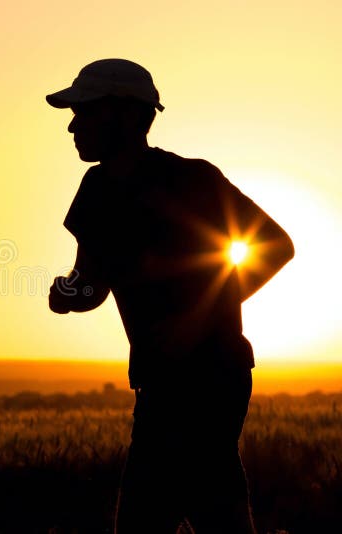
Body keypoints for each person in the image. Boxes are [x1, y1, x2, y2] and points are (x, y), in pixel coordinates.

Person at [45, 58, 294, 533]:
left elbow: (276, 246)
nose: (73, 125)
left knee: (157, 508)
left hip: (213, 375)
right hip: (159, 380)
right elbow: (91, 280)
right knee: (208, 507)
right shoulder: (94, 191)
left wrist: (195, 320)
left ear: (127, 116)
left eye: (85, 112)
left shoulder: (194, 180)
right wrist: (67, 294)